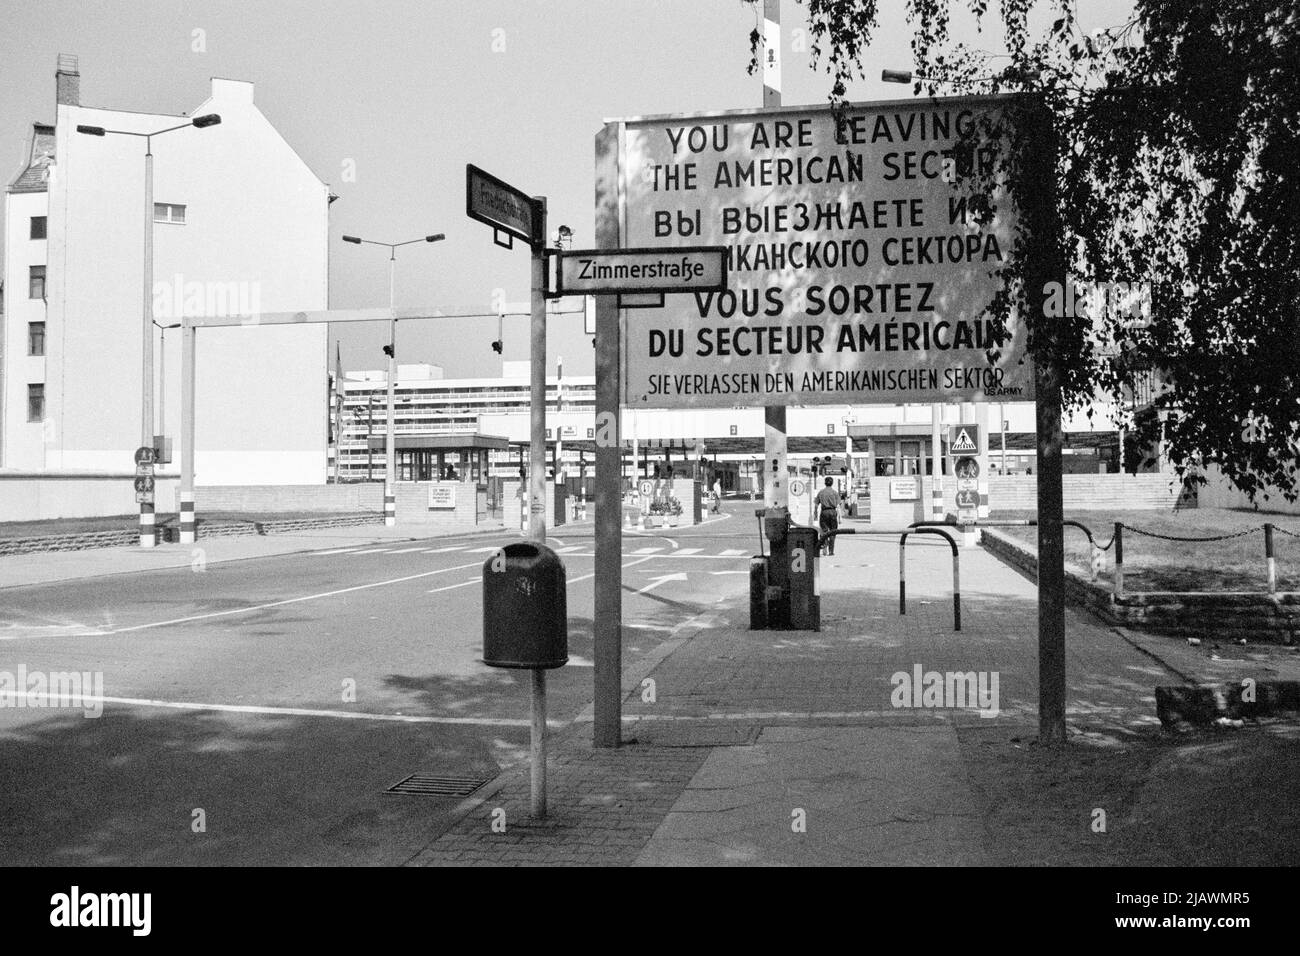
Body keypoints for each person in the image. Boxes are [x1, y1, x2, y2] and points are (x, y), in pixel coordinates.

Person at [814, 476, 841, 556]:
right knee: (833, 531)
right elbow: (838, 506)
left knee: (824, 531)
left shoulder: (821, 492)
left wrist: (815, 514)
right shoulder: (835, 493)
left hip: (824, 512)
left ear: (825, 483)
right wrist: (840, 517)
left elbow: (816, 505)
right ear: (832, 483)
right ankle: (831, 551)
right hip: (833, 512)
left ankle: (825, 547)